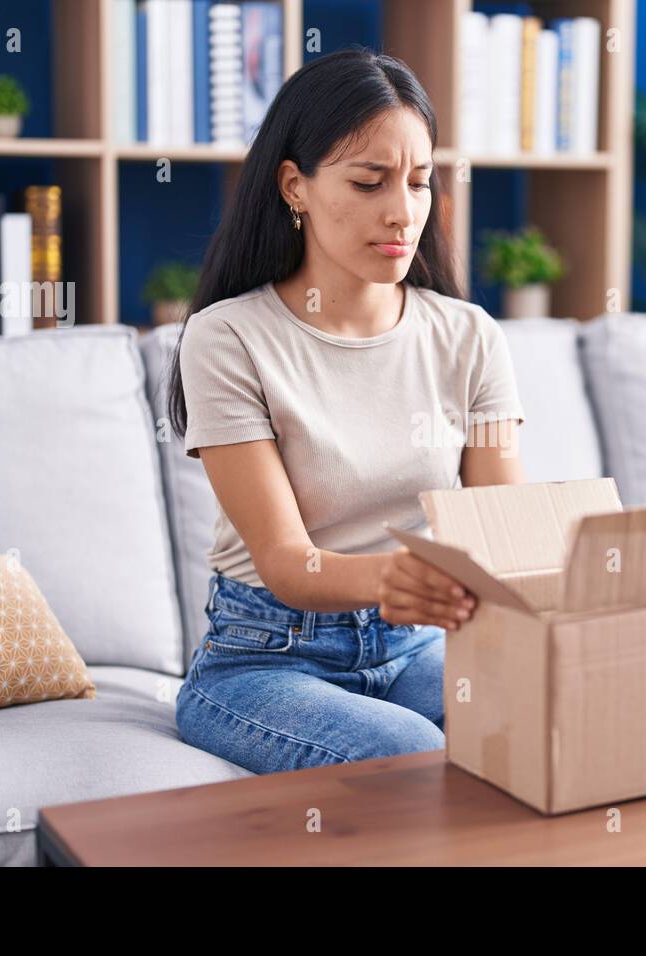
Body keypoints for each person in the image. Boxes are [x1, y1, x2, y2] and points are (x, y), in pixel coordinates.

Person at [166, 48, 527, 775]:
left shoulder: (469, 337)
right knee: (414, 758)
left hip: (420, 647)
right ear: (294, 186)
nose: (403, 212)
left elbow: (501, 536)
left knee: (542, 714)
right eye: (370, 182)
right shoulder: (229, 337)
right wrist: (400, 578)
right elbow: (288, 565)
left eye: (419, 183)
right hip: (266, 660)